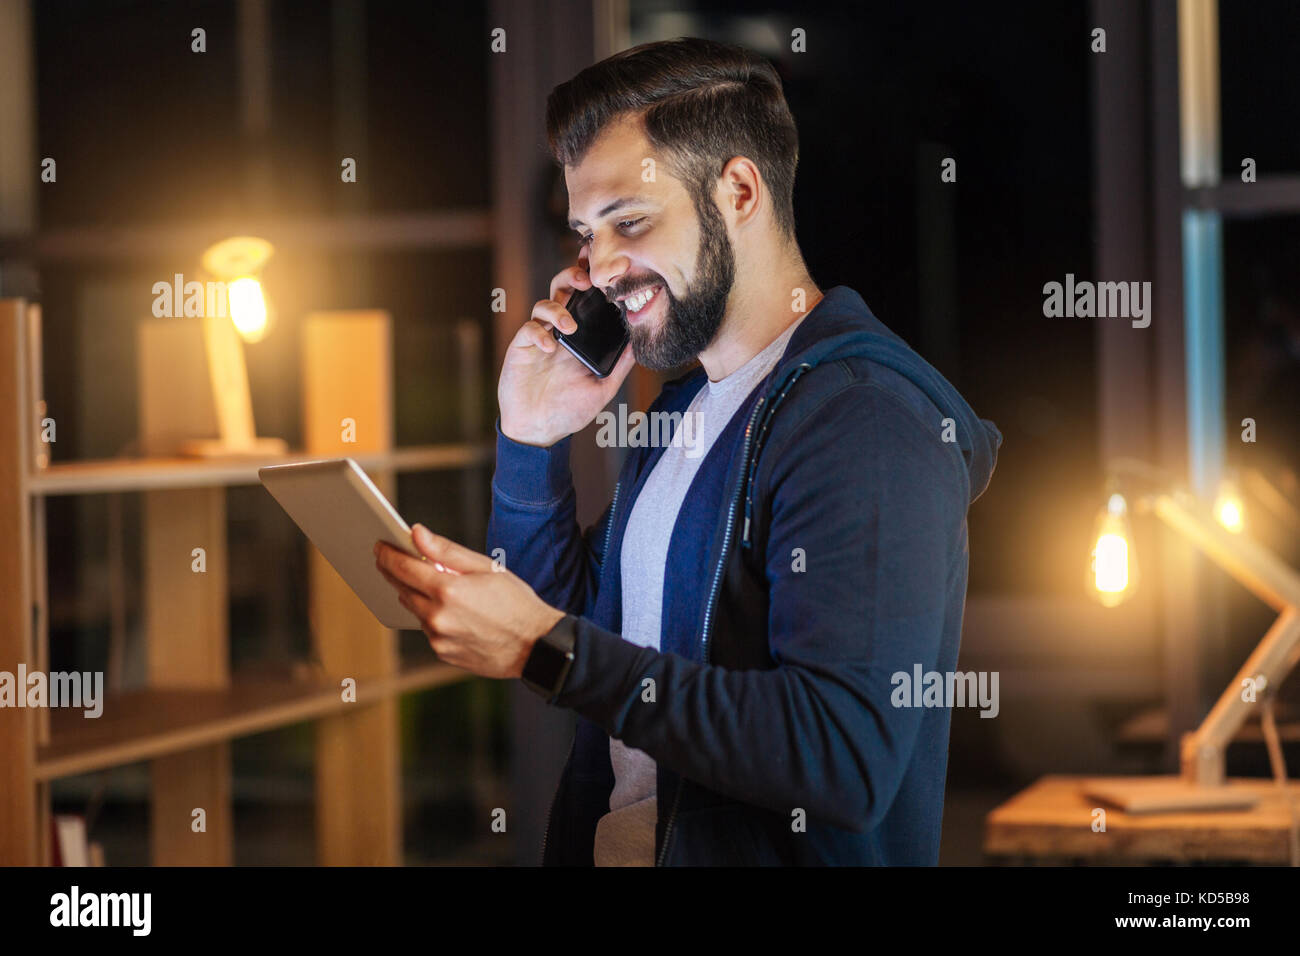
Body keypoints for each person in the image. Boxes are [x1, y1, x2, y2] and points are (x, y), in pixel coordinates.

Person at [375, 36, 1001, 866]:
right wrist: (531, 438)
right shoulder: (689, 409)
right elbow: (583, 623)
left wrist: (549, 651)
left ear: (738, 190)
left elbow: (843, 757)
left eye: (629, 223)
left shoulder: (864, 422)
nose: (598, 271)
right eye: (584, 235)